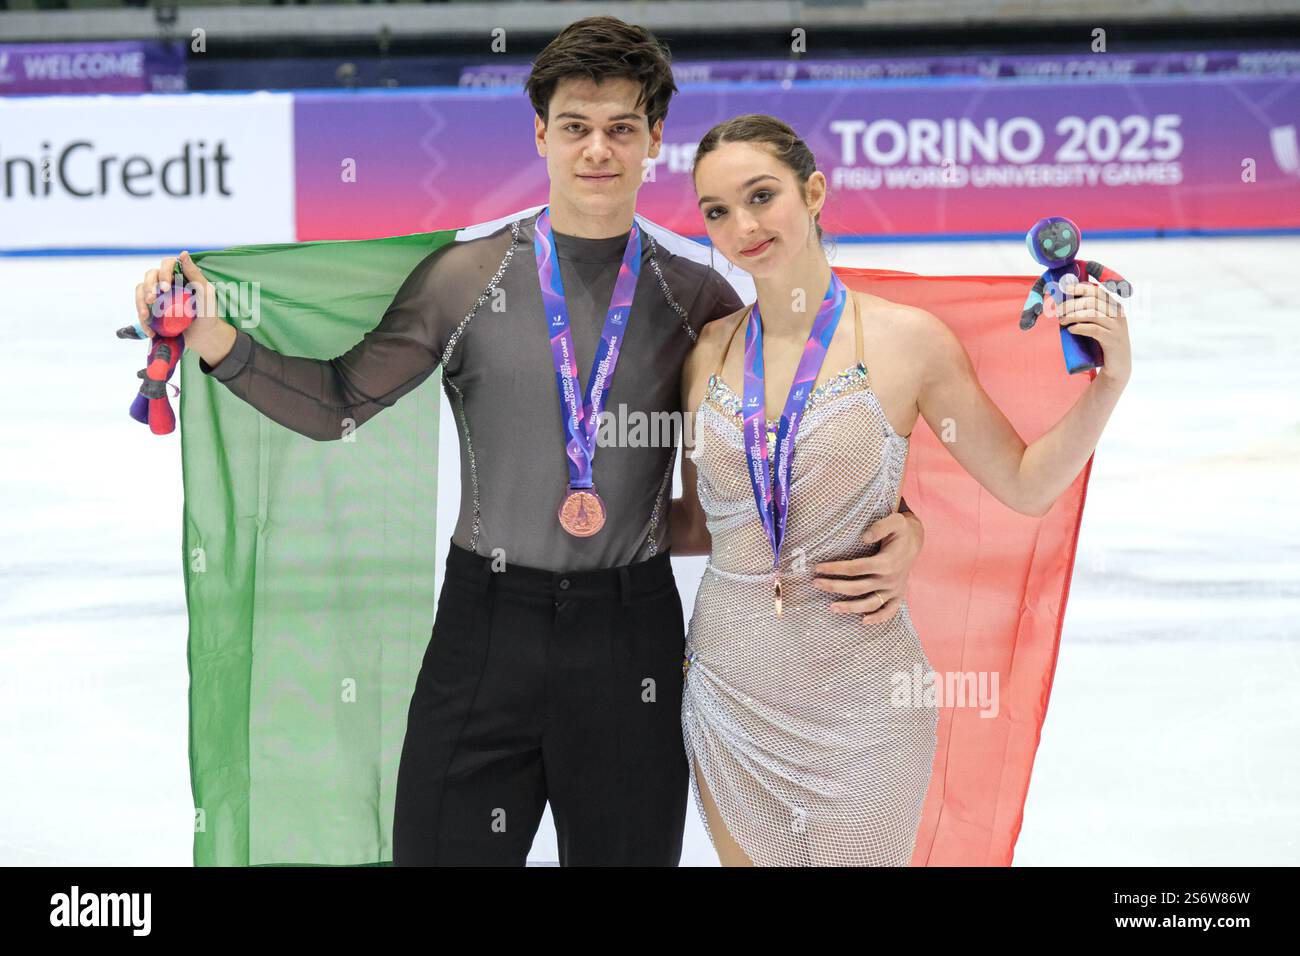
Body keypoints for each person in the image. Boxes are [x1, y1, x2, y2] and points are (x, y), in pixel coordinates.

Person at [127, 18, 927, 866]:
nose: (597, 150)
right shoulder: (465, 278)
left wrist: (906, 523)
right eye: (576, 127)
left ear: (654, 139)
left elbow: (785, 456)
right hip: (483, 637)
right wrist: (219, 343)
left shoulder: (694, 298)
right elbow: (340, 403)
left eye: (622, 127)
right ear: (541, 133)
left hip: (632, 649)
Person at [672, 114, 1132, 866]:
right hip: (729, 690)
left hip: (865, 701)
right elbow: (707, 517)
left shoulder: (907, 343)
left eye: (762, 196)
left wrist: (1108, 383)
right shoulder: (707, 353)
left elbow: (1022, 485)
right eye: (718, 211)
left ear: (814, 191)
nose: (742, 226)